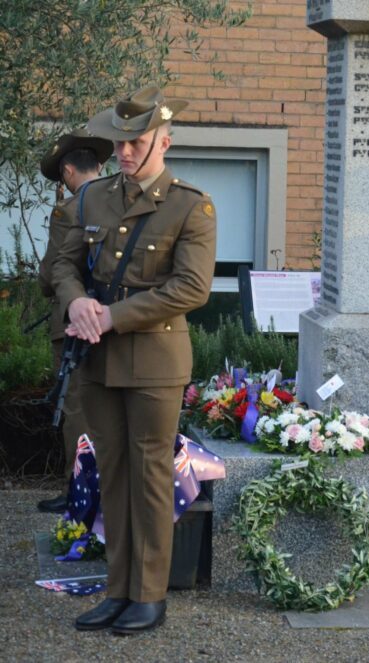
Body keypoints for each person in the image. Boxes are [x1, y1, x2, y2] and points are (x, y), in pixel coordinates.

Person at [52, 86, 217, 634]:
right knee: (112, 473)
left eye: (137, 142)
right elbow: (63, 265)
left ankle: (149, 594)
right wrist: (76, 300)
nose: (124, 152)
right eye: (119, 142)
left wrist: (111, 316)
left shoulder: (191, 204)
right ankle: (118, 588)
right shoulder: (93, 197)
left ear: (163, 143)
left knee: (148, 476)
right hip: (97, 362)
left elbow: (191, 289)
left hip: (153, 360)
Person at [36, 127, 113, 513]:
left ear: (67, 171)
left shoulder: (69, 209)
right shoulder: (117, 202)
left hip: (71, 322)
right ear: (100, 167)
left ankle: (79, 492)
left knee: (76, 408)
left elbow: (53, 275)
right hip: (113, 318)